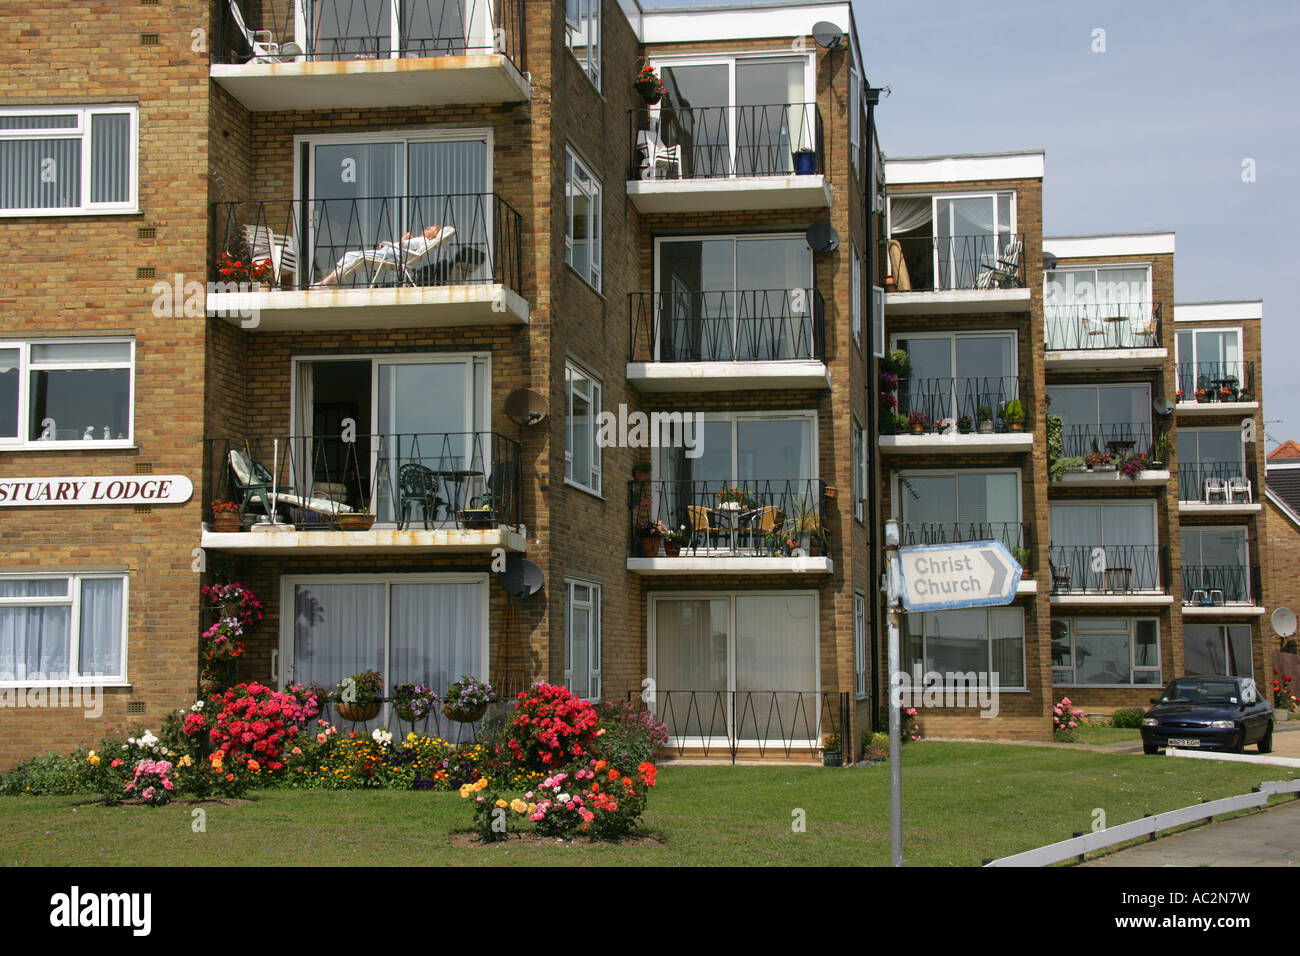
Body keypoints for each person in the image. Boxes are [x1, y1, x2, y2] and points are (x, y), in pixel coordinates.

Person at [314, 224, 446, 287]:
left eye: (430, 230)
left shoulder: (421, 240)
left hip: (390, 255)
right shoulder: (422, 242)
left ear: (433, 236)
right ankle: (327, 282)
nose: (425, 229)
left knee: (351, 256)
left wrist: (403, 238)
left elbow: (401, 246)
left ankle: (325, 283)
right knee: (354, 257)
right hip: (390, 254)